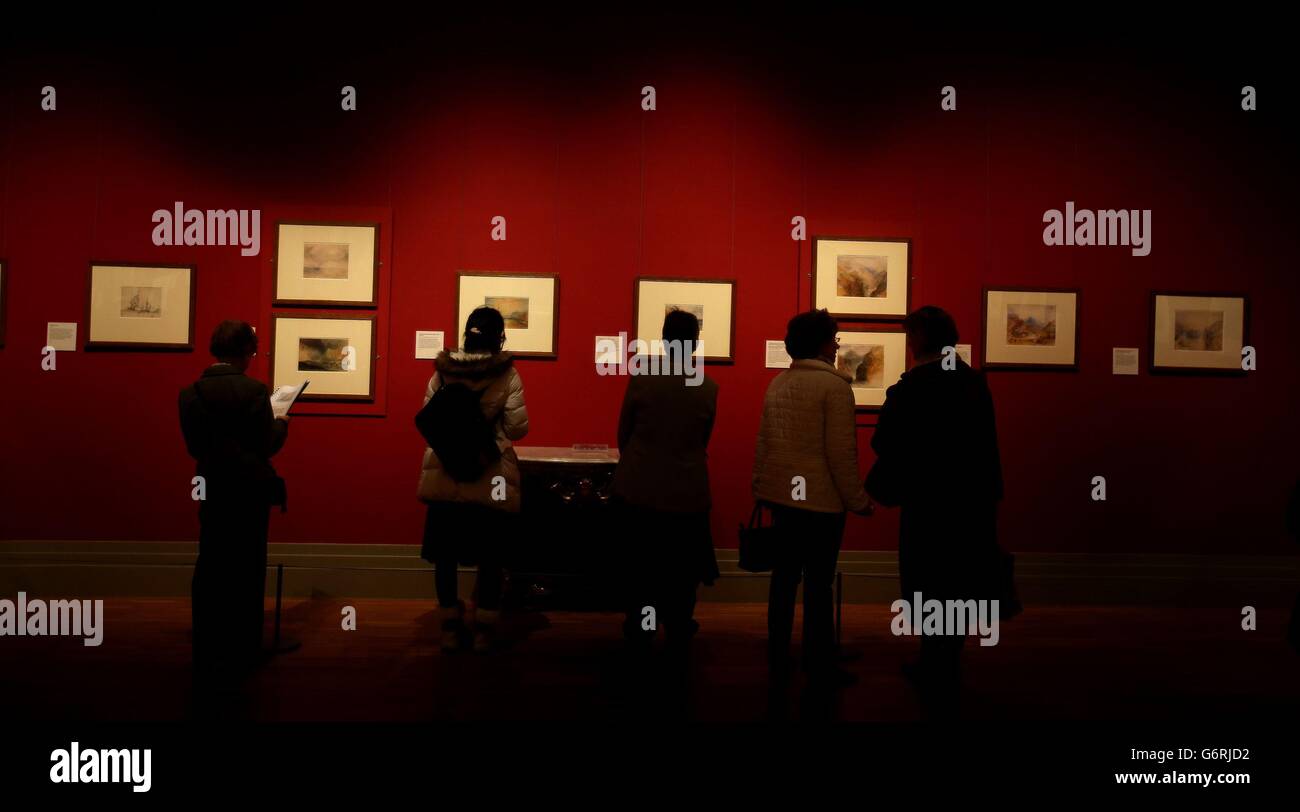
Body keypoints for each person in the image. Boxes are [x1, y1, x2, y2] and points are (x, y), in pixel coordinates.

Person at [865, 305, 1004, 697]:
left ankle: (932, 658)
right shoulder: (974, 382)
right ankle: (949, 658)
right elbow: (987, 446)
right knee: (960, 579)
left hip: (926, 502)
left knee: (926, 579)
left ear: (918, 340)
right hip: (971, 501)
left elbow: (883, 442)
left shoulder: (912, 387)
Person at [753, 308, 873, 686]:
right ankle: (818, 661)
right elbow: (841, 454)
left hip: (783, 498)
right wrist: (858, 500)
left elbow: (765, 445)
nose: (836, 345)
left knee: (784, 579)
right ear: (822, 343)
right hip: (821, 502)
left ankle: (778, 654)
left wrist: (761, 485)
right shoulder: (835, 387)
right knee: (819, 585)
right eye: (834, 338)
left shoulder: (778, 383)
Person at [178, 320, 289, 688]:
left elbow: (195, 446)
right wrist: (282, 423)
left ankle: (208, 641)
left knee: (211, 558)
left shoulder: (190, 393)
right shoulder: (255, 391)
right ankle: (244, 644)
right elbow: (265, 445)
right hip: (249, 487)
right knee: (248, 562)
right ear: (246, 351)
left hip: (211, 483)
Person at [418, 306, 529, 654]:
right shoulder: (507, 375)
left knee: (446, 556)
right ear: (501, 338)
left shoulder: (443, 372)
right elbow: (516, 428)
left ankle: (450, 628)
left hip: (447, 473)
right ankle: (483, 630)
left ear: (466, 334)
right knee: (492, 556)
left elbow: (430, 419)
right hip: (489, 474)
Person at [612, 309, 720, 657]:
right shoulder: (707, 386)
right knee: (682, 569)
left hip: (641, 486)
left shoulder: (643, 377)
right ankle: (678, 626)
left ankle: (642, 626)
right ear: (694, 343)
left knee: (642, 567)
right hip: (687, 489)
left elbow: (624, 432)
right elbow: (703, 438)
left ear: (663, 339)